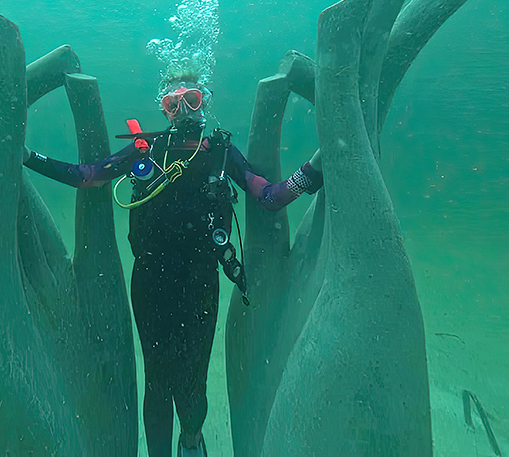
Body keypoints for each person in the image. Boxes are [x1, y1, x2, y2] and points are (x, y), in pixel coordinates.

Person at [23, 76, 322, 457]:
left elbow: (269, 196)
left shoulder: (219, 151)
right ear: (163, 109)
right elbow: (87, 176)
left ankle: (192, 441)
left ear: (204, 102)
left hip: (200, 279)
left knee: (193, 383)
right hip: (151, 281)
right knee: (157, 381)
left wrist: (316, 167)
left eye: (191, 100)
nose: (182, 110)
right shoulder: (144, 151)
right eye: (172, 103)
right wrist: (29, 157)